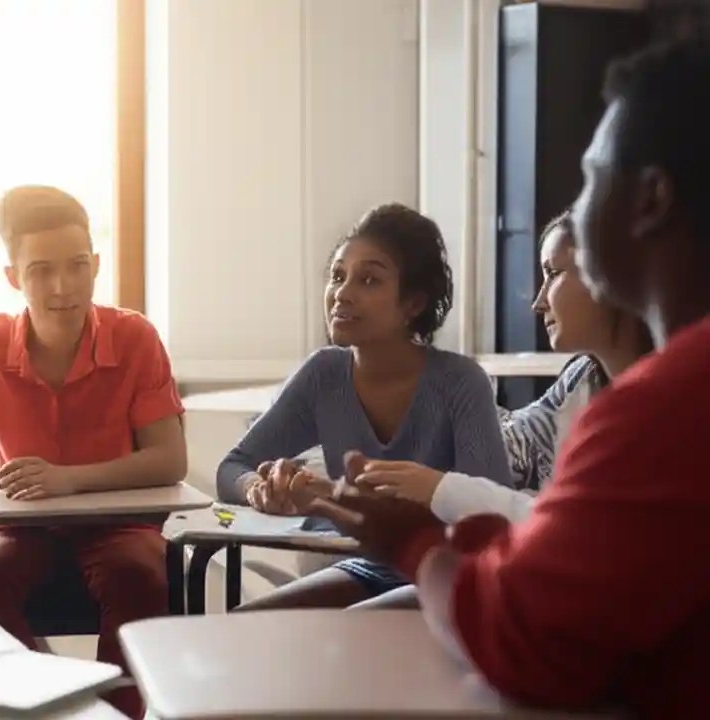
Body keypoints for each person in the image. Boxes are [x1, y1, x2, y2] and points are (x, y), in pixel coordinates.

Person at [310, 40, 710, 717]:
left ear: (649, 200)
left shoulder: (666, 405)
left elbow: (521, 638)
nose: (575, 212)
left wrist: (413, 538)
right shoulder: (605, 387)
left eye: (589, 180)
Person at [0, 185, 186, 719]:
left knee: (141, 575)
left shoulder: (135, 336)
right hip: (15, 522)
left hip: (120, 522)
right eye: (41, 269)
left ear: (95, 265)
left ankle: (116, 713)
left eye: (76, 266)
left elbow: (169, 460)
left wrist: (70, 478)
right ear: (14, 277)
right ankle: (51, 706)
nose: (62, 286)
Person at [218, 203, 512, 612]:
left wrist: (325, 496)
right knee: (241, 625)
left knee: (338, 631)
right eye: (338, 276)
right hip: (367, 569)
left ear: (413, 303)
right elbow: (232, 466)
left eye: (369, 279)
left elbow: (490, 519)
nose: (342, 293)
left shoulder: (460, 382)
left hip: (449, 574)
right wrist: (261, 489)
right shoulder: (324, 374)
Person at [354, 211, 653, 524]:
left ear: (606, 277)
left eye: (553, 273)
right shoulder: (584, 379)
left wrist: (440, 489)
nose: (539, 302)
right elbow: (515, 442)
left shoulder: (672, 402)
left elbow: (584, 526)